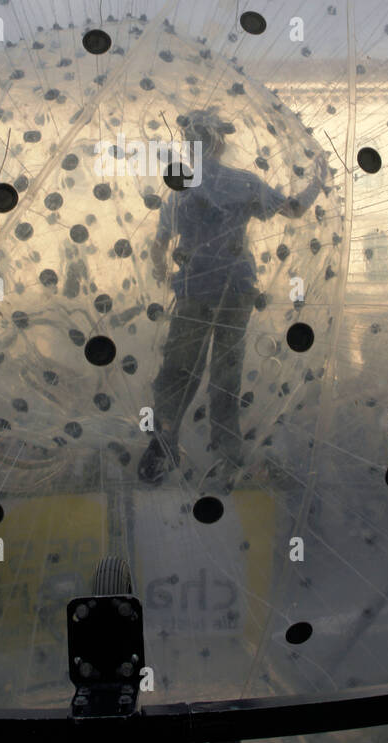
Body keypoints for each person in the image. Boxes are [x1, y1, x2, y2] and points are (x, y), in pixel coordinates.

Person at [138, 109, 331, 488]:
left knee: (177, 372)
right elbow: (293, 210)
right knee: (226, 374)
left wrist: (163, 271)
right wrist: (318, 180)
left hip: (193, 291)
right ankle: (228, 455)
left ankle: (164, 441)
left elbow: (159, 246)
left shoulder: (179, 188)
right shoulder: (241, 181)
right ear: (220, 143)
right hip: (235, 291)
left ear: (190, 146)